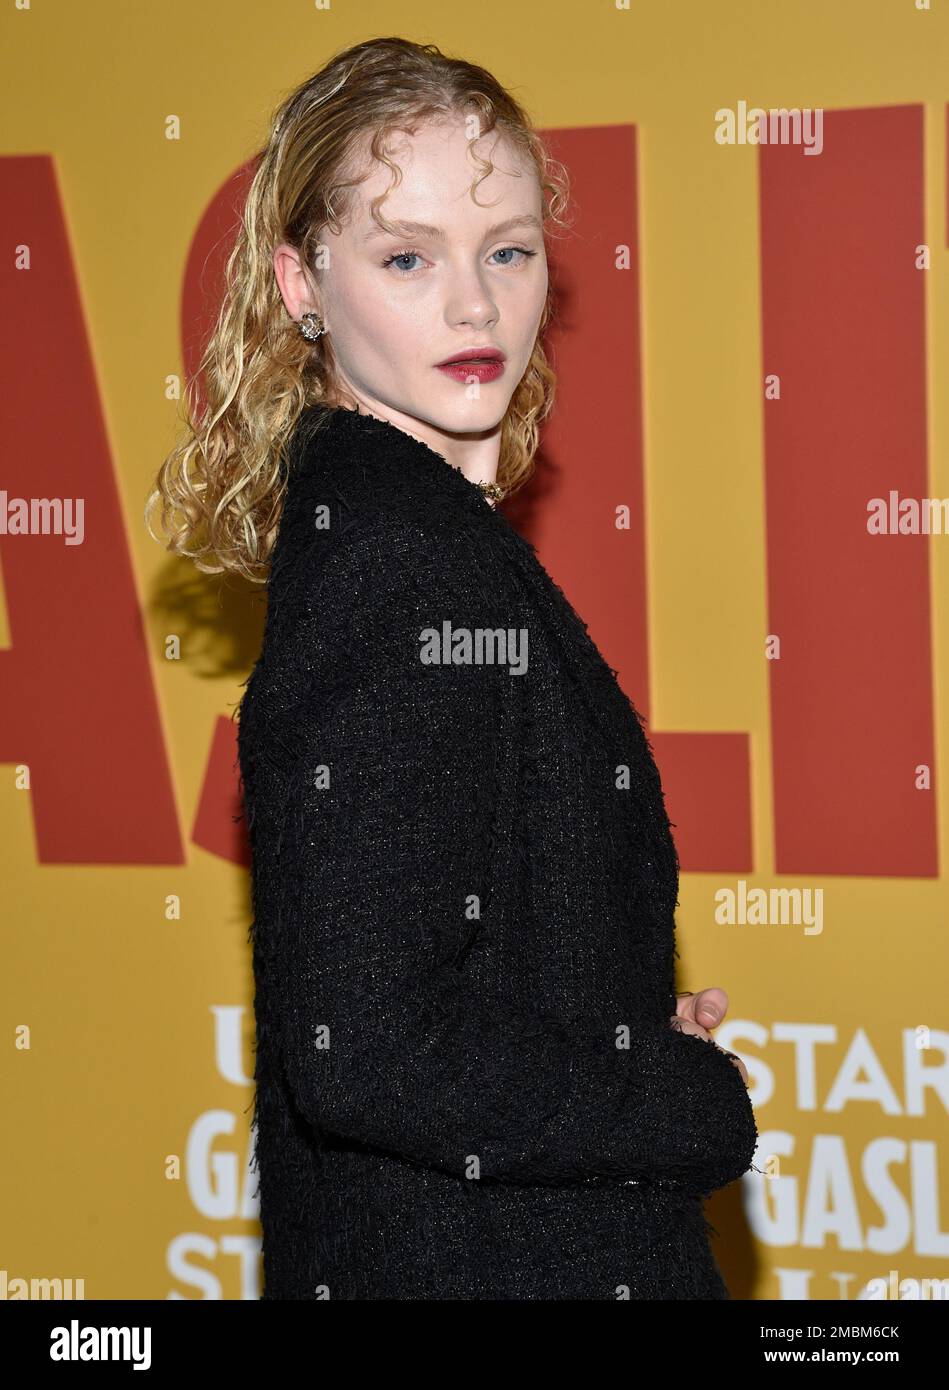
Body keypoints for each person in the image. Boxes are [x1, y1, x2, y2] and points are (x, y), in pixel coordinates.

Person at [146, 36, 758, 1300]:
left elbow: (436, 969)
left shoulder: (405, 535)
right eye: (407, 256)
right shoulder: (403, 562)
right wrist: (679, 1099)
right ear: (300, 280)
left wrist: (609, 1029)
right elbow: (368, 1051)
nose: (476, 309)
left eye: (509, 251)